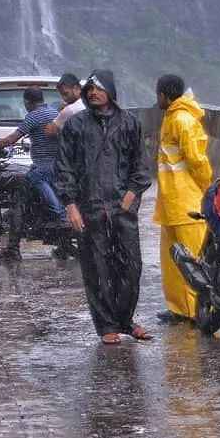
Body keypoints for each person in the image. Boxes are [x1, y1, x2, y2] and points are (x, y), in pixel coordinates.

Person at [56, 70, 152, 345]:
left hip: (123, 209)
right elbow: (64, 167)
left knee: (131, 267)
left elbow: (141, 165)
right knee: (97, 268)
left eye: (99, 88)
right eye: (90, 89)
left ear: (110, 90)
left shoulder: (130, 123)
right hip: (90, 207)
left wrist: (130, 196)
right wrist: (70, 205)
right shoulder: (75, 126)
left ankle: (126, 320)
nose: (93, 93)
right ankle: (107, 324)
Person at [154, 73, 213, 325]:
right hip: (170, 202)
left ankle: (199, 311)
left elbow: (197, 161)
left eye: (157, 94)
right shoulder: (171, 117)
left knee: (192, 261)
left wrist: (207, 190)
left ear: (165, 95)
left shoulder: (183, 120)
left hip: (186, 203)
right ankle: (179, 308)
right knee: (171, 260)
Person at [0, 87, 63, 260]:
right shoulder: (53, 112)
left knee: (18, 201)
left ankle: (13, 248)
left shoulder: (33, 116)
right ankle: (62, 243)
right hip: (58, 167)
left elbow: (12, 139)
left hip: (43, 167)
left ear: (28, 102)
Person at [43, 73, 87, 139]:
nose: (64, 98)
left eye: (66, 94)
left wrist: (60, 111)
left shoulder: (70, 110)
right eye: (62, 95)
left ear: (76, 88)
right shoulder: (90, 103)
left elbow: (49, 131)